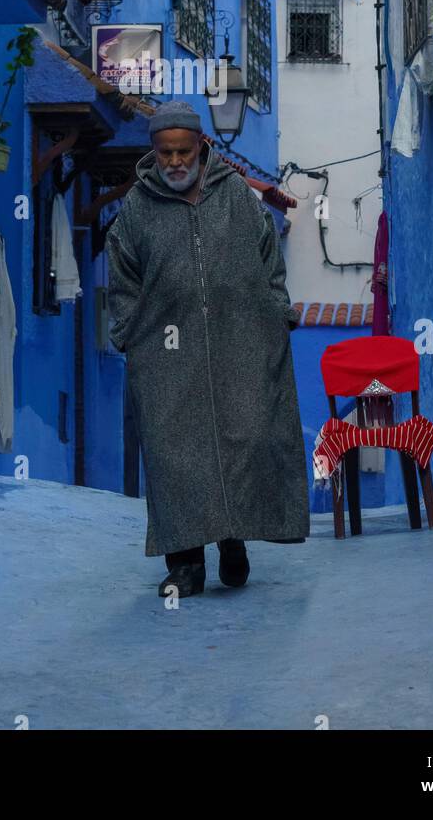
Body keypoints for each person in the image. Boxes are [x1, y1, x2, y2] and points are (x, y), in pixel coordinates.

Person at [106, 100, 310, 598]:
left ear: (200, 147)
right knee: (176, 456)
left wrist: (277, 308)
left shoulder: (236, 195)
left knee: (244, 439)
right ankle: (185, 565)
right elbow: (122, 277)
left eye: (182, 152)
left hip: (239, 340)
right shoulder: (137, 209)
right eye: (164, 154)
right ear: (153, 153)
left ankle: (233, 539)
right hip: (166, 355)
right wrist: (130, 333)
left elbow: (269, 254)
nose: (175, 163)